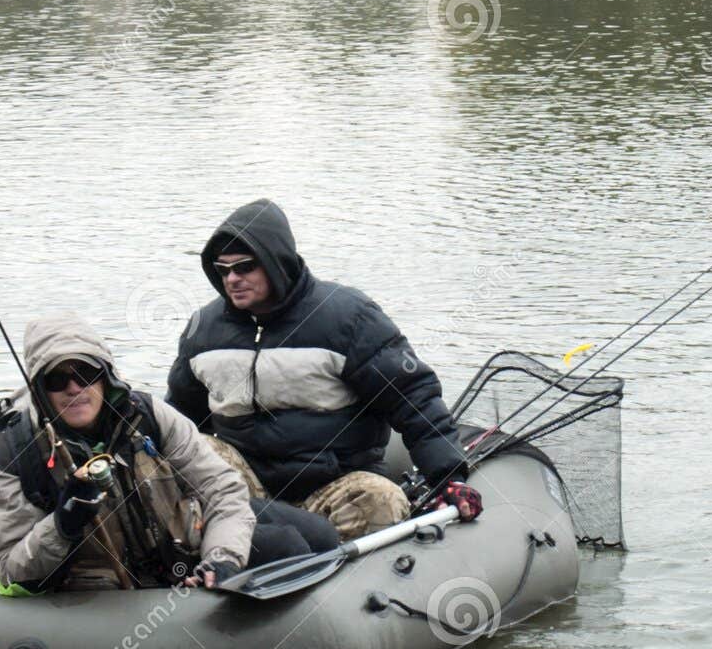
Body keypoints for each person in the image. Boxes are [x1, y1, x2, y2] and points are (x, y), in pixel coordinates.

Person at [166, 199, 482, 542]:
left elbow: (412, 397)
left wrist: (448, 476)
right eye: (223, 269)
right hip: (244, 489)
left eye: (244, 267)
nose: (232, 279)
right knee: (186, 452)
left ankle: (327, 575)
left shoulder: (349, 317)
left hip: (334, 484)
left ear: (277, 263)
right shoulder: (204, 330)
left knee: (382, 500)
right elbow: (177, 418)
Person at [0, 316, 326, 594]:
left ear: (105, 376)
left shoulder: (147, 415)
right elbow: (8, 566)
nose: (74, 388)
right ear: (38, 389)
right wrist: (62, 525)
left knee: (317, 536)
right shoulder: (13, 453)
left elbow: (222, 490)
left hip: (176, 549)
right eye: (56, 379)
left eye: (85, 373)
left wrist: (221, 561)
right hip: (102, 589)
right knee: (288, 544)